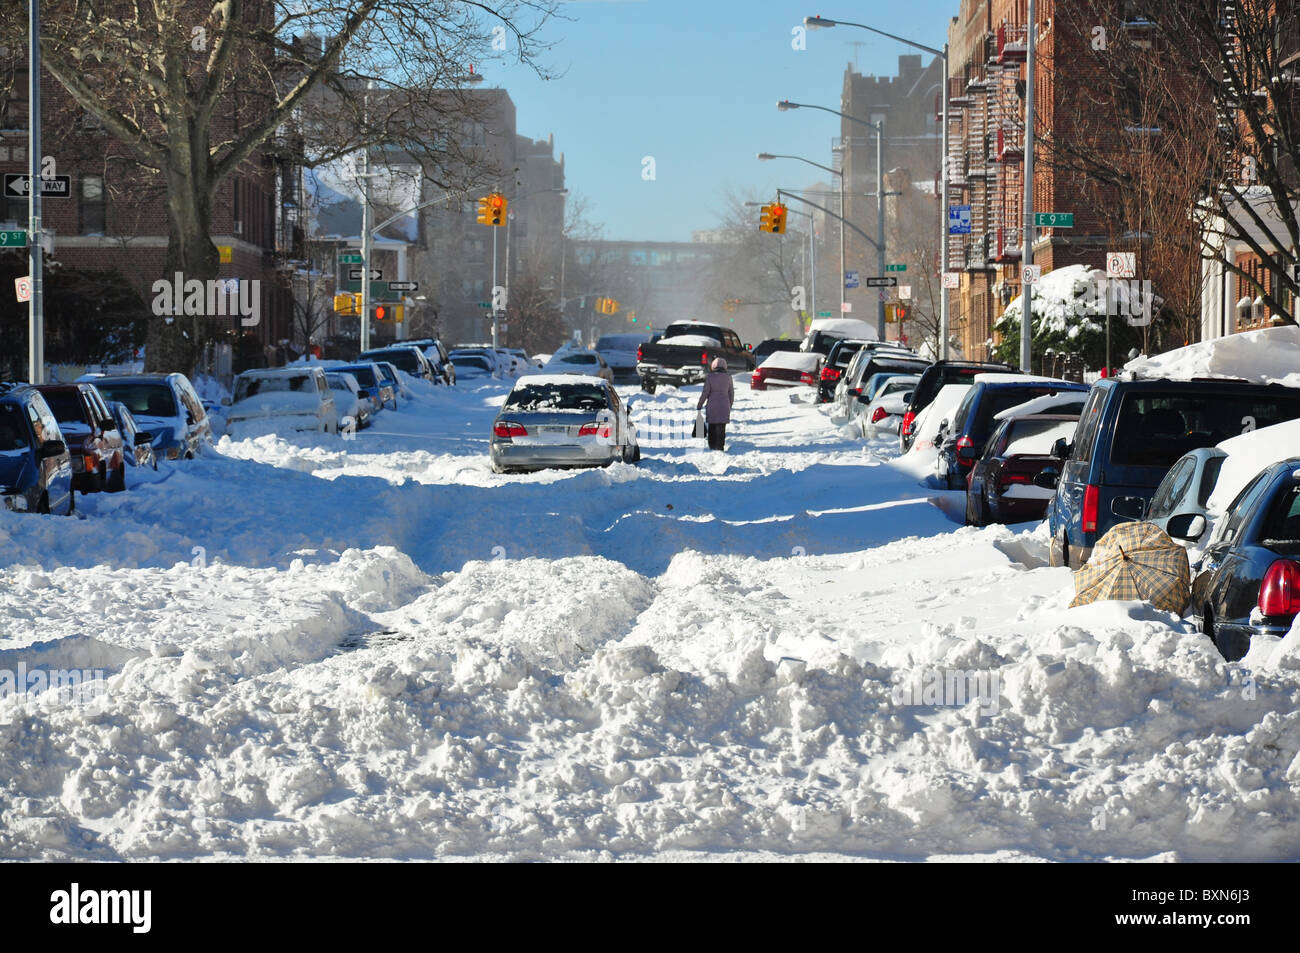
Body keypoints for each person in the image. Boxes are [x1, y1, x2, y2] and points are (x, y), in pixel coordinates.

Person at [697, 357, 735, 451]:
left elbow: (705, 392)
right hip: (724, 405)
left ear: (713, 366)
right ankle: (720, 446)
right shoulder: (728, 377)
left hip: (712, 406)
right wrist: (730, 404)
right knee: (722, 427)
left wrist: (700, 404)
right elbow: (731, 393)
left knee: (712, 426)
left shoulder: (710, 377)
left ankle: (712, 445)